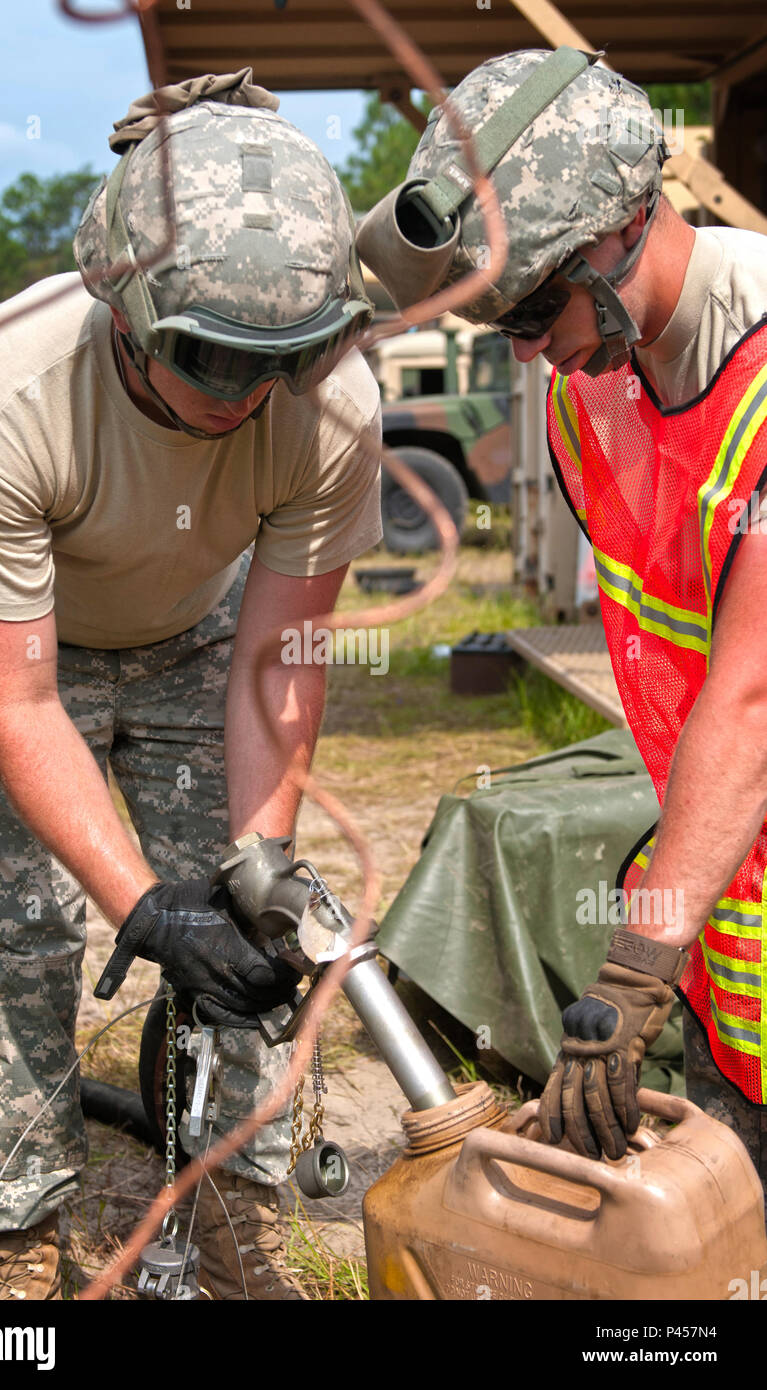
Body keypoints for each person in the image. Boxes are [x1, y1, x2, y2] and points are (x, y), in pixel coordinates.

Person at [0, 69, 382, 1300]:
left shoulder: (328, 406)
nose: (236, 396)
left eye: (267, 363)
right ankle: (8, 1245)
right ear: (121, 308)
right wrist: (142, 907)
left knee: (253, 938)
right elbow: (18, 705)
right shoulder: (3, 396)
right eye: (204, 357)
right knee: (11, 944)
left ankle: (235, 1205)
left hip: (198, 634)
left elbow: (280, 657)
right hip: (25, 644)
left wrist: (253, 865)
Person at [359, 48, 767, 1194]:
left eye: (534, 306)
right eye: (501, 326)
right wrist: (671, 947)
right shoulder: (586, 393)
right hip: (733, 955)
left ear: (623, 221)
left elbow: (749, 696)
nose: (528, 349)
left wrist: (632, 961)